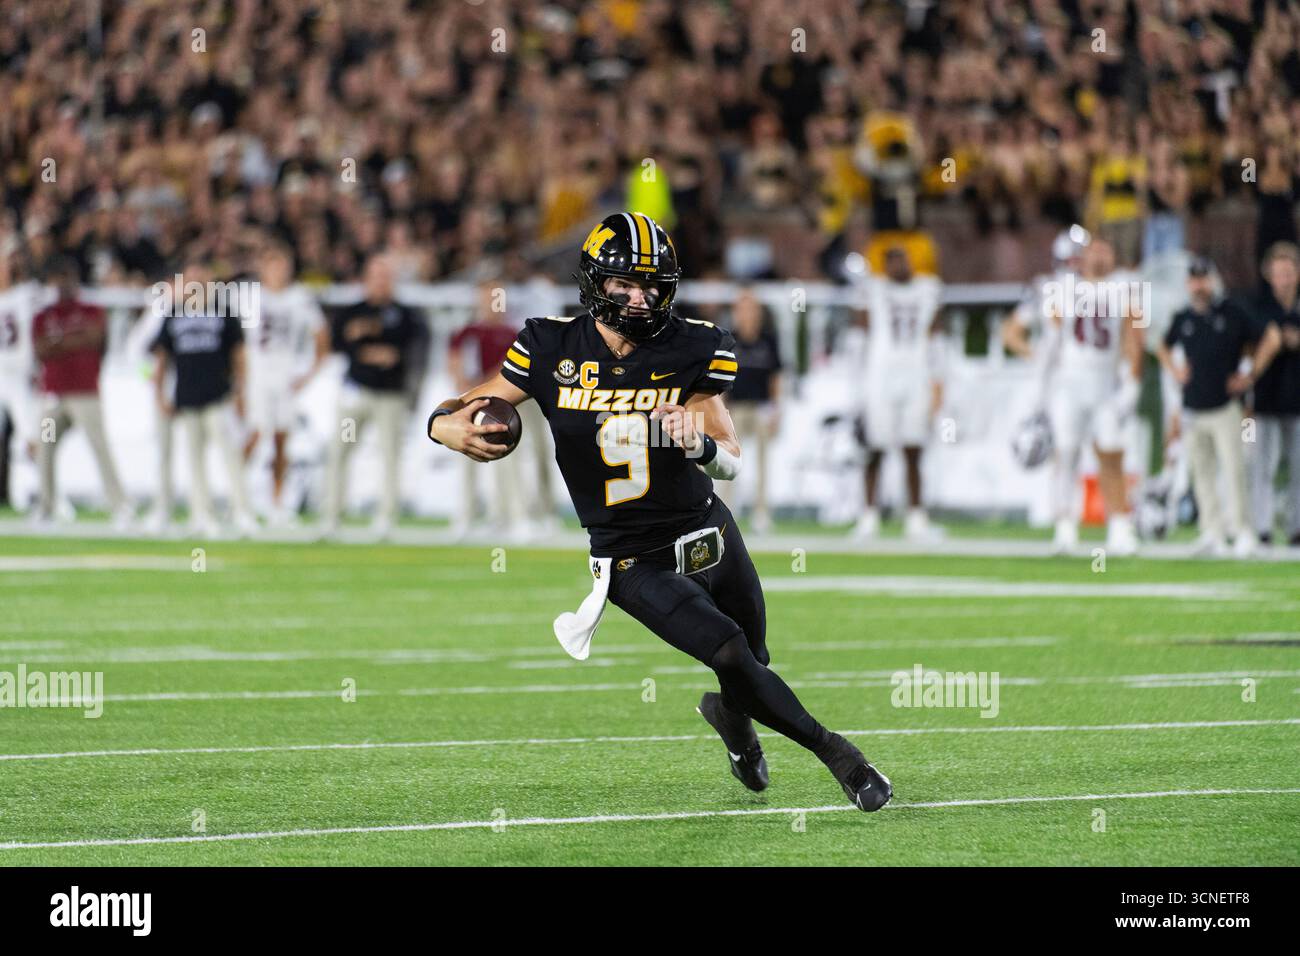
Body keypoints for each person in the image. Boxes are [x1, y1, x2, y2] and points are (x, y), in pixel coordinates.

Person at [426, 212, 891, 813]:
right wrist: (443, 427)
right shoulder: (549, 345)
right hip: (630, 558)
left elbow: (731, 459)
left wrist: (695, 442)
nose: (641, 298)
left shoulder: (692, 344)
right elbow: (462, 405)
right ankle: (843, 759)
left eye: (652, 285)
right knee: (727, 651)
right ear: (595, 283)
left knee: (752, 666)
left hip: (709, 534)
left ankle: (729, 715)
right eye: (626, 284)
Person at [1157, 257, 1264, 557]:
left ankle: (1242, 531)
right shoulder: (1183, 317)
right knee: (1201, 472)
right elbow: (1161, 345)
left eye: (1203, 280)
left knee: (1235, 469)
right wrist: (1174, 370)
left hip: (1229, 407)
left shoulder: (1231, 311)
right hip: (1193, 407)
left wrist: (1249, 373)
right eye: (1194, 280)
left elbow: (1265, 338)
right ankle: (1212, 531)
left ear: (1212, 281)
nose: (1199, 286)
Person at [1041, 238, 1142, 555]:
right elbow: (1053, 338)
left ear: (1114, 256)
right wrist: (1045, 381)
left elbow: (1134, 337)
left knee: (1111, 454)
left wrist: (1132, 382)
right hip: (1070, 383)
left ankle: (1119, 527)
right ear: (1081, 258)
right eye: (1093, 250)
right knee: (1067, 452)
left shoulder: (1126, 288)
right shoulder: (1063, 289)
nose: (1099, 255)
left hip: (1104, 383)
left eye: (1105, 250)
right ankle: (1064, 526)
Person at [151, 263, 255, 538]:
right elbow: (162, 358)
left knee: (229, 455)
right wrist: (160, 393)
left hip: (218, 396)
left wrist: (240, 391)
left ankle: (242, 511)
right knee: (194, 460)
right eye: (191, 278)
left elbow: (239, 355)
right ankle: (201, 514)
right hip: (186, 397)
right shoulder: (173, 314)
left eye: (201, 277)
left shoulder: (224, 311)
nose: (196, 283)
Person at [322, 254, 421, 540]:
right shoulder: (352, 310)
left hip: (390, 395)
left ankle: (386, 516)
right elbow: (338, 342)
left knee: (390, 455)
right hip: (357, 391)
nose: (380, 282)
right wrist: (367, 349)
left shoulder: (404, 313)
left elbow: (408, 346)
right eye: (375, 276)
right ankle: (331, 513)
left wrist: (377, 345)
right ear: (366, 279)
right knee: (340, 450)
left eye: (385, 276)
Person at [30, 257, 131, 528]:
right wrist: (76, 341)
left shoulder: (91, 310)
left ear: (76, 281)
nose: (63, 285)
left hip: (85, 393)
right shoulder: (44, 316)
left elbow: (96, 339)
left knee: (99, 447)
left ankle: (120, 505)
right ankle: (46, 506)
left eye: (67, 279)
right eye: (59, 279)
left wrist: (60, 342)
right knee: (45, 448)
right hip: (54, 395)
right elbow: (41, 350)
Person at [853, 246, 944, 541]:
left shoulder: (928, 288)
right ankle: (869, 515)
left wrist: (939, 379)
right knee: (874, 447)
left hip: (915, 374)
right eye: (890, 262)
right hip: (880, 377)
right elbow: (862, 330)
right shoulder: (874, 289)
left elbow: (936, 333)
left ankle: (916, 516)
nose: (897, 267)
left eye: (901, 260)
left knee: (914, 448)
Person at [244, 244, 326, 524]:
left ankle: (277, 502)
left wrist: (310, 372)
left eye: (282, 265)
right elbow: (238, 341)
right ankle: (237, 496)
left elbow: (321, 334)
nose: (278, 271)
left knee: (281, 440)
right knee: (255, 434)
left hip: (285, 372)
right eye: (272, 265)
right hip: (258, 373)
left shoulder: (299, 298)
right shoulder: (251, 297)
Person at [446, 281, 526, 538]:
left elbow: (508, 368)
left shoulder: (512, 333)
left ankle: (511, 517)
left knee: (507, 458)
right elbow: (454, 360)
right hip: (471, 404)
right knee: (466, 457)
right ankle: (465, 517)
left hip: (502, 405)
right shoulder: (467, 331)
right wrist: (465, 388)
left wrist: (484, 386)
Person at [1244, 243, 1300, 547]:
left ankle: (1295, 528)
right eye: (1279, 273)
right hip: (1264, 401)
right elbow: (1250, 347)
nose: (1285, 279)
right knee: (1261, 466)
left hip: (1297, 402)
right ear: (1269, 275)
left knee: (1297, 469)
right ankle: (1262, 527)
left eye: (1289, 273)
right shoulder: (1258, 309)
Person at [716, 289, 782, 533]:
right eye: (742, 309)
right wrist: (720, 411)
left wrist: (776, 408)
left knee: (763, 463)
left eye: (751, 309)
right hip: (735, 408)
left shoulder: (768, 340)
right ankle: (726, 511)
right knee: (728, 462)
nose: (747, 315)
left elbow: (776, 376)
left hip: (762, 407)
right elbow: (720, 379)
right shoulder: (729, 340)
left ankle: (761, 513)